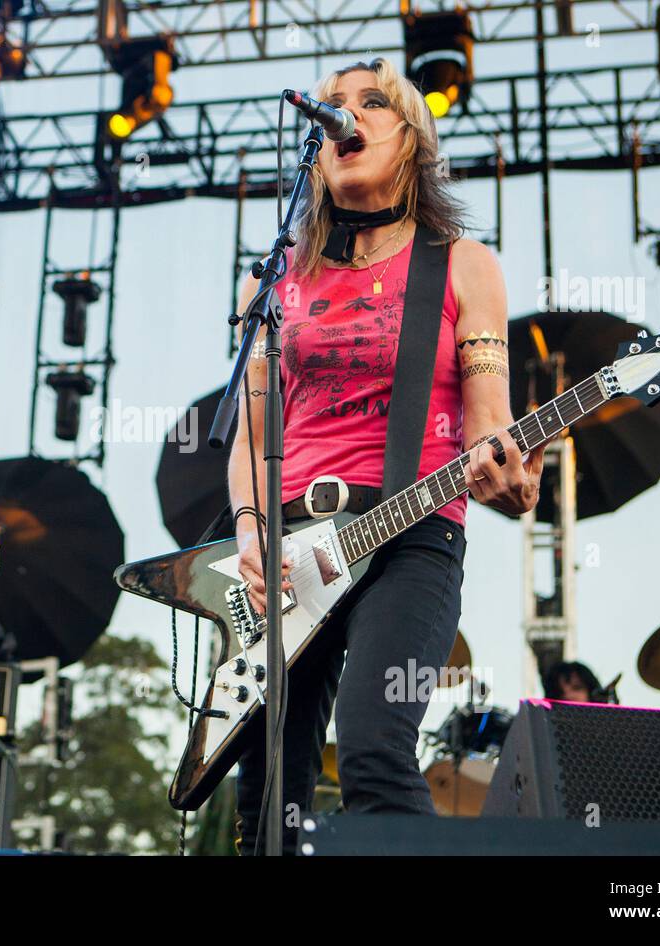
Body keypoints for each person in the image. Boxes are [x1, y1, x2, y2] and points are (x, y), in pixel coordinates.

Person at [228, 58, 543, 854]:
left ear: (412, 145)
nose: (346, 116)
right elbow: (253, 442)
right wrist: (248, 531)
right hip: (289, 550)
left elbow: (489, 422)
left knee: (372, 744)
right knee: (267, 790)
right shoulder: (273, 286)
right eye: (332, 105)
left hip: (410, 534)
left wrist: (507, 469)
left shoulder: (460, 263)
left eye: (372, 103)